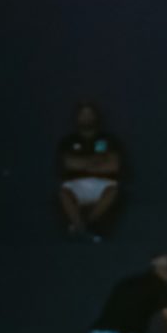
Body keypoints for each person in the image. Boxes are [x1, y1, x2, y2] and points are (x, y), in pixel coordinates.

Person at [58, 101, 123, 237]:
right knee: (64, 193)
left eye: (89, 114)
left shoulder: (108, 140)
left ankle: (84, 225)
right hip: (76, 184)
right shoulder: (69, 141)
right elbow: (68, 164)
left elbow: (113, 166)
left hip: (102, 183)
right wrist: (97, 161)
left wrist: (82, 163)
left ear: (96, 116)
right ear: (77, 117)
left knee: (113, 191)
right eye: (83, 114)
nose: (86, 117)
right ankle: (82, 228)